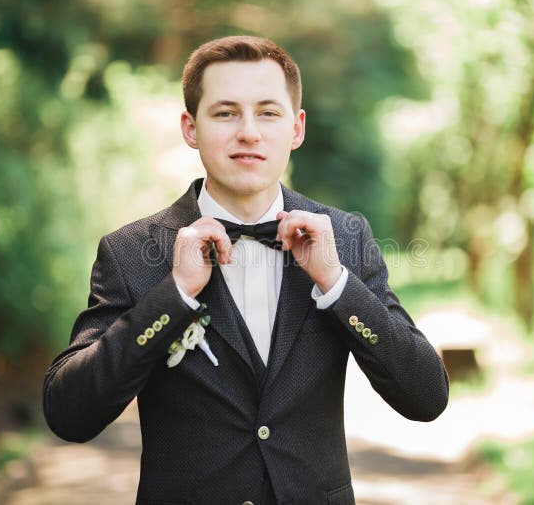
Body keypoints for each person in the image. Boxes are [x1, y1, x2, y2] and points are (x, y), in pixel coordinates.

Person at [42, 35, 449, 504]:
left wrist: (337, 285)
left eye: (268, 112)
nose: (249, 132)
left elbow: (426, 397)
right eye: (225, 112)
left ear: (296, 129)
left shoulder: (346, 237)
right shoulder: (132, 252)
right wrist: (172, 297)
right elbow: (68, 413)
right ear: (191, 128)